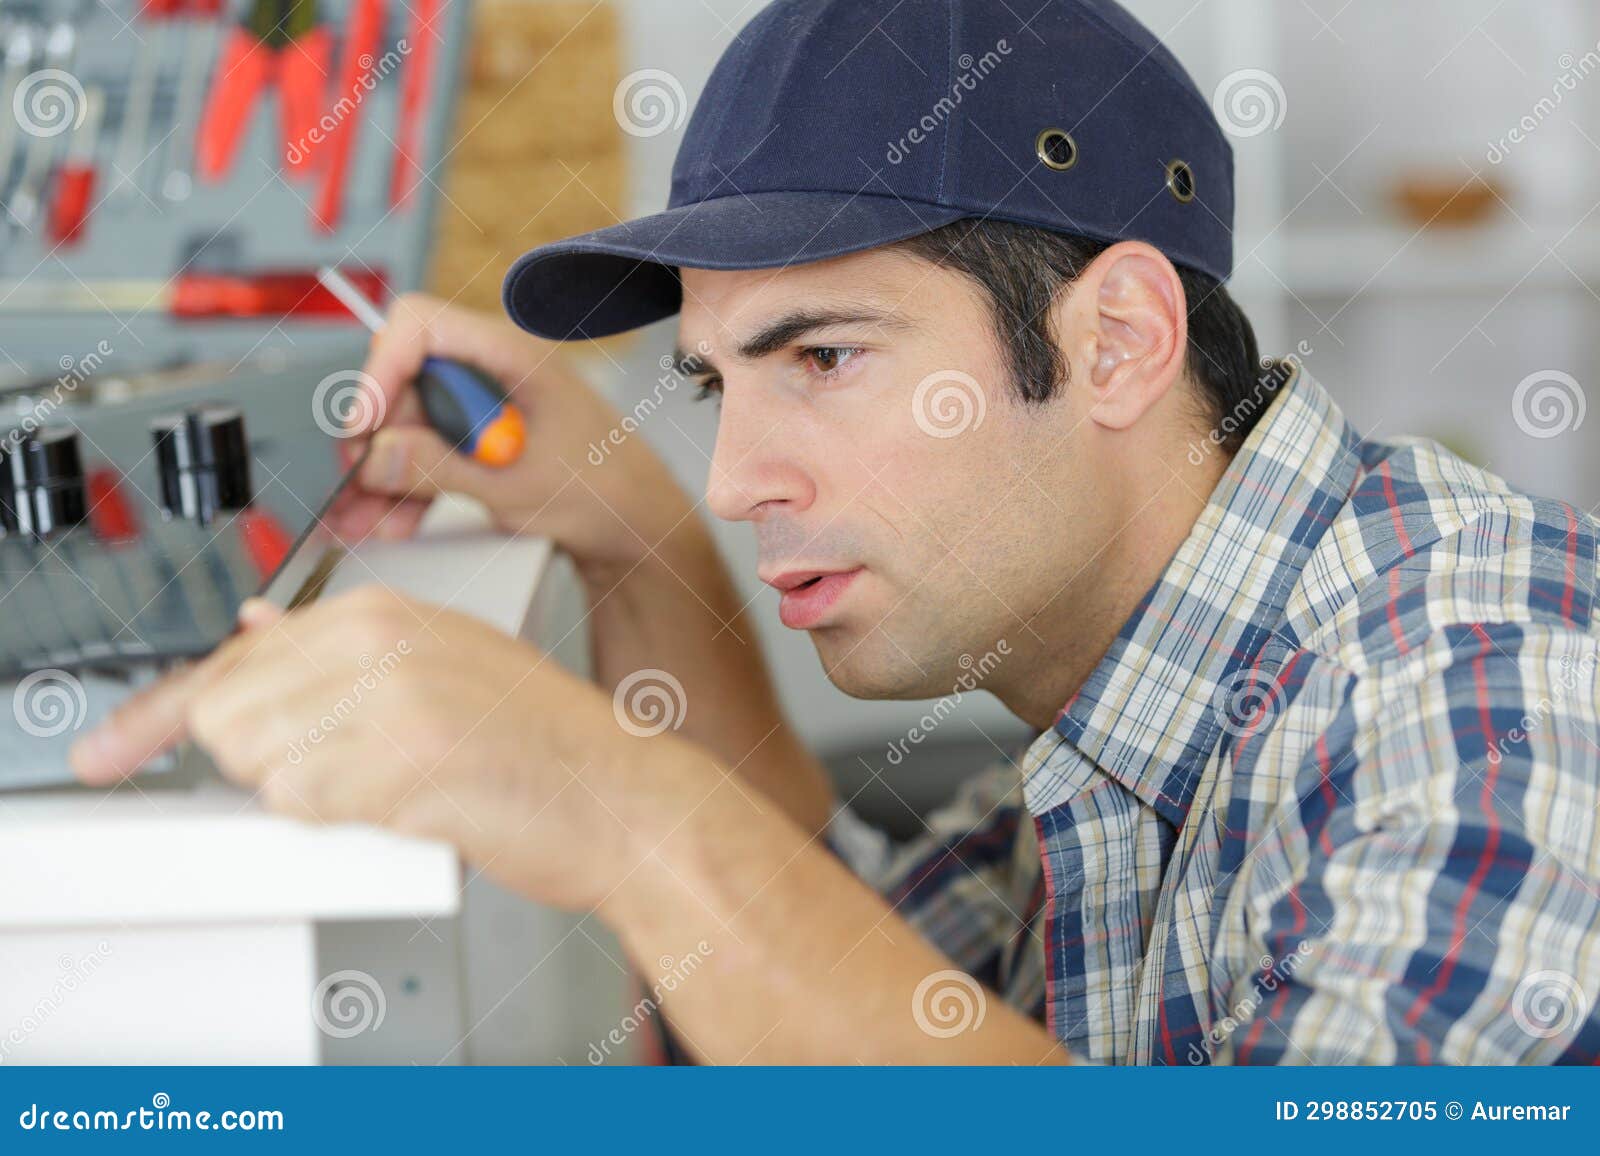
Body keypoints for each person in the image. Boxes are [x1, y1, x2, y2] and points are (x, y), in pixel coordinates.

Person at [72, 0, 1600, 1064]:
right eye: (711, 382)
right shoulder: (1125, 715)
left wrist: (621, 808)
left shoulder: (1485, 687)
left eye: (823, 358)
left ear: (1121, 340)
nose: (741, 479)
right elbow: (870, 988)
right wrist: (630, 530)